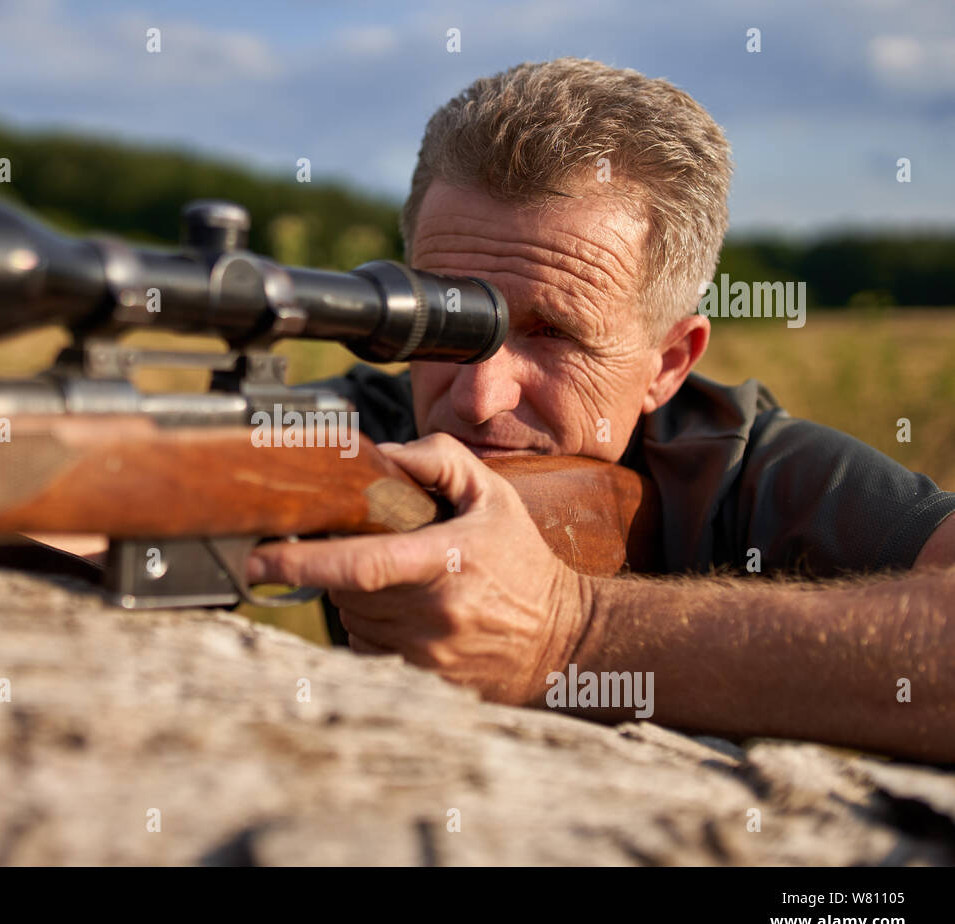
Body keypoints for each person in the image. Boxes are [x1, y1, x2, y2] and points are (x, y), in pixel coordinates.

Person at [248, 58, 955, 763]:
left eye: (553, 334)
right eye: (447, 320)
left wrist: (571, 633)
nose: (477, 396)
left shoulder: (755, 479)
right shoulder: (346, 431)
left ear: (670, 362)